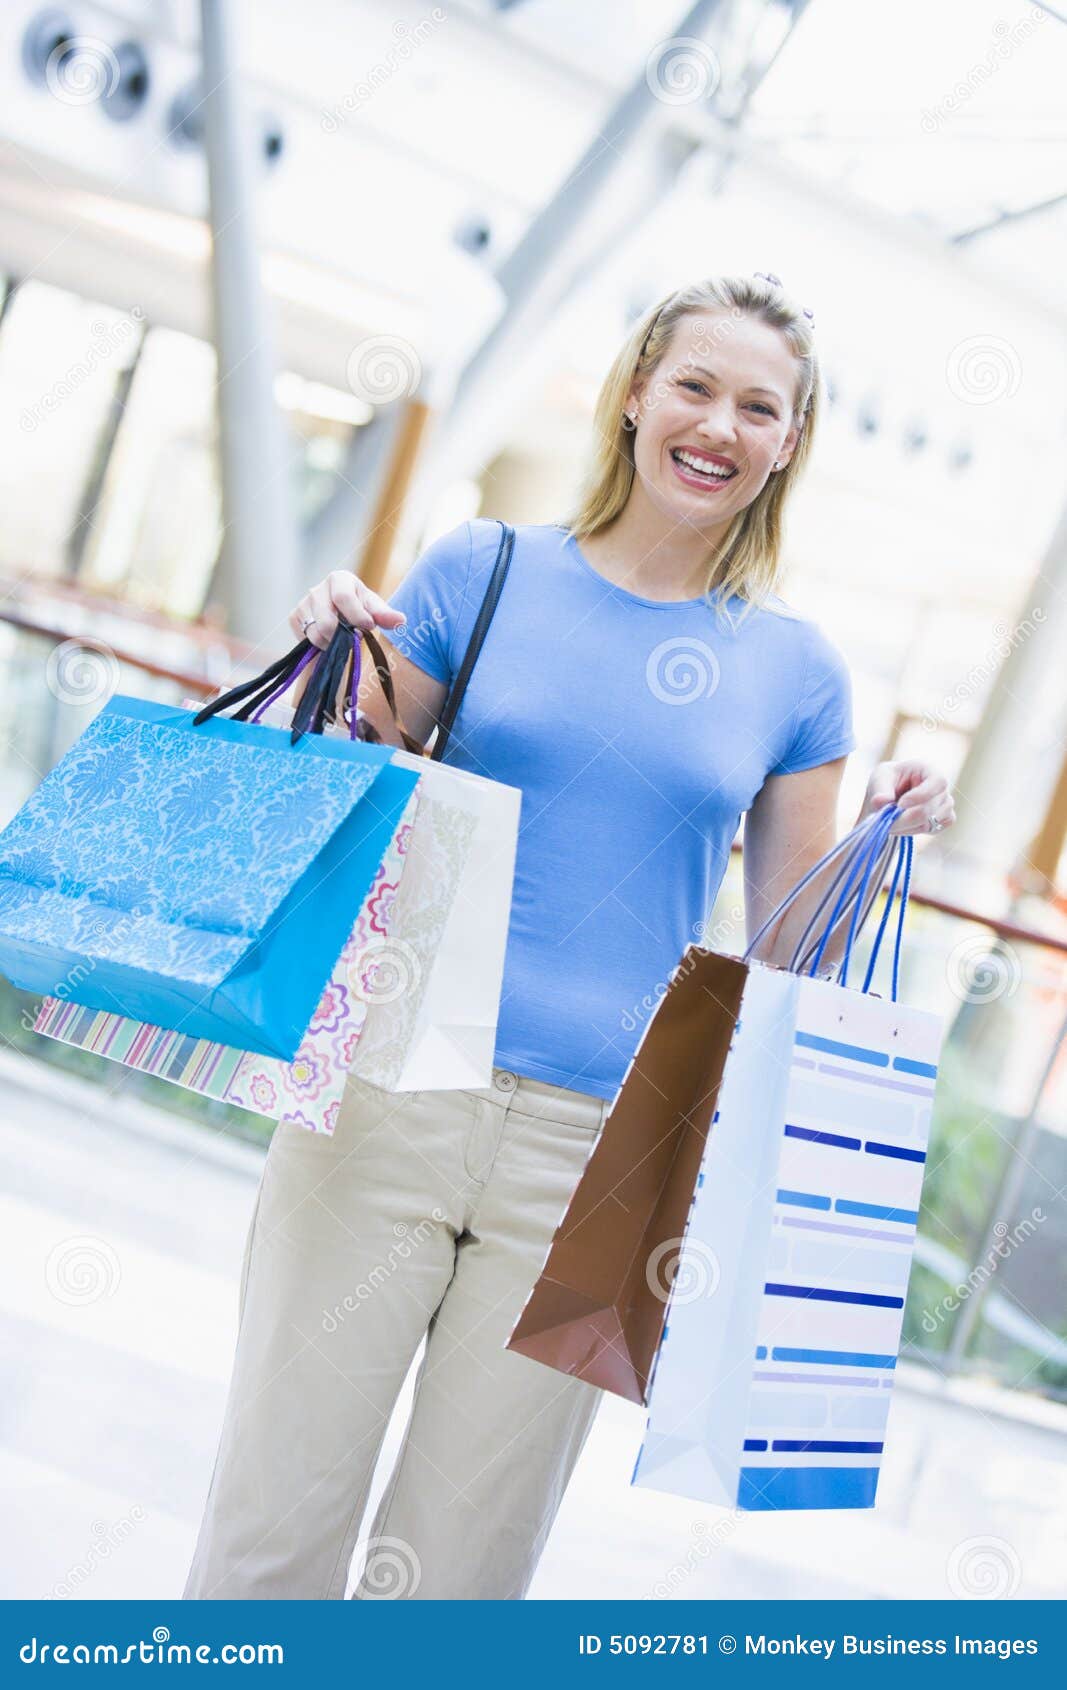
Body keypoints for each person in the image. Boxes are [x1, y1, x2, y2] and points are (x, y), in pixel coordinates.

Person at [182, 272, 955, 1601]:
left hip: (603, 1158)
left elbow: (789, 953)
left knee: (460, 1579)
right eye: (695, 386)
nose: (718, 425)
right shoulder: (483, 568)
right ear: (640, 393)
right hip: (384, 1094)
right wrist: (329, 642)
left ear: (790, 439)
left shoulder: (797, 671)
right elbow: (360, 752)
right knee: (274, 1520)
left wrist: (890, 831)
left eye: (758, 406)